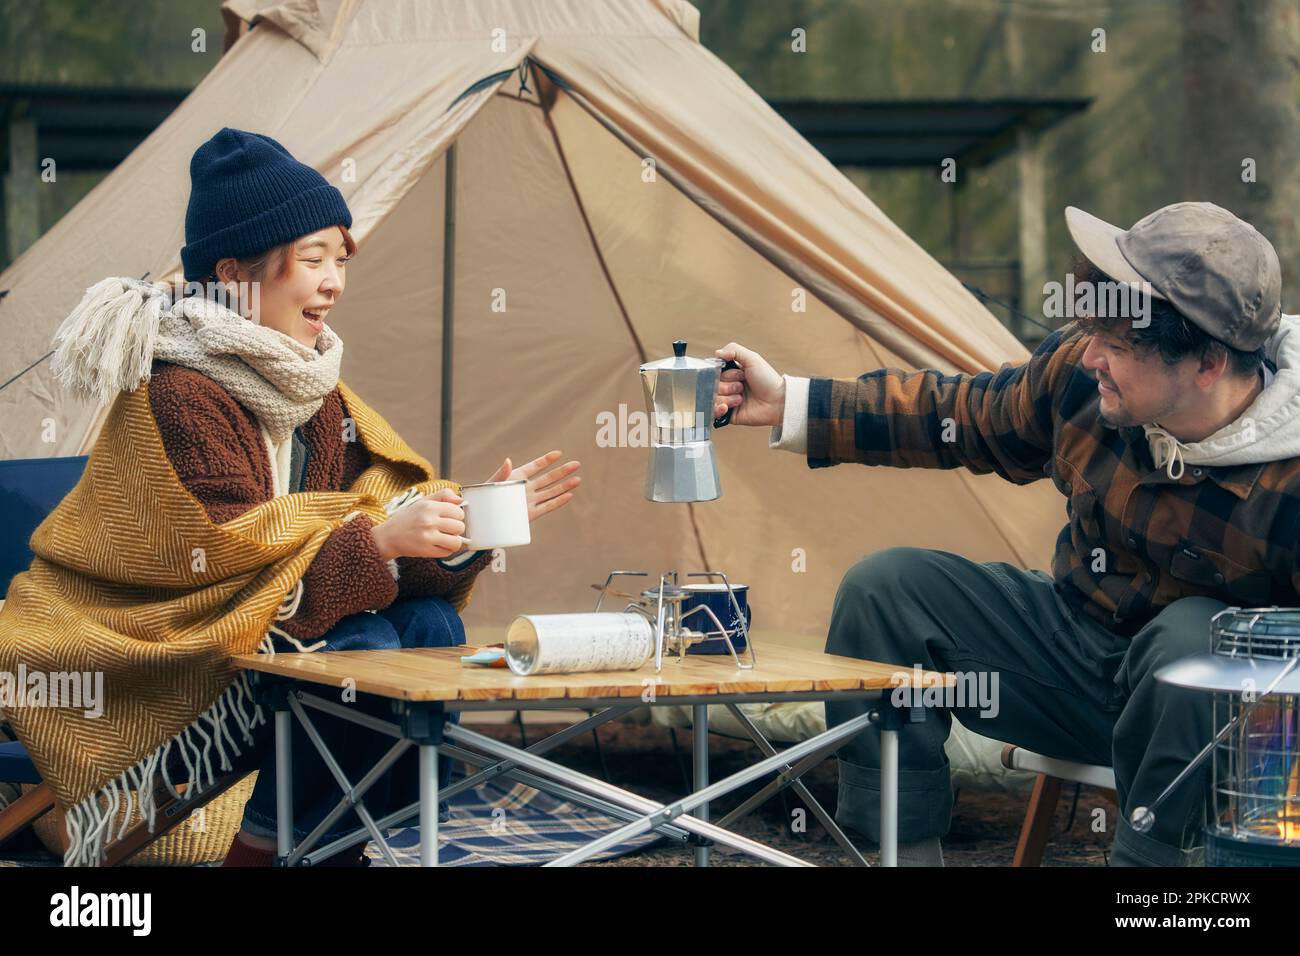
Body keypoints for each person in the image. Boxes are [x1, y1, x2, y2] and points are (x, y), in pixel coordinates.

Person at [41, 128, 582, 866]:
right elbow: (225, 566)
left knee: (422, 623)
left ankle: (393, 841)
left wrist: (466, 529)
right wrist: (380, 539)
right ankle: (274, 849)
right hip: (172, 663)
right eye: (314, 260)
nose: (335, 282)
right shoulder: (177, 391)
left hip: (273, 645)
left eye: (339, 260)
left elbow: (368, 533)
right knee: (361, 648)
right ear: (234, 274)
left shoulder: (314, 395)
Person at [711, 201, 1293, 867]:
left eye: (1119, 343)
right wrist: (790, 402)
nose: (1091, 354)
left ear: (1208, 364)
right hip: (1071, 663)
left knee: (1196, 636)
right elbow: (960, 415)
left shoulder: (1291, 476)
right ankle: (904, 856)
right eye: (1091, 328)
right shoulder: (1082, 377)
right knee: (889, 589)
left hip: (1215, 738)